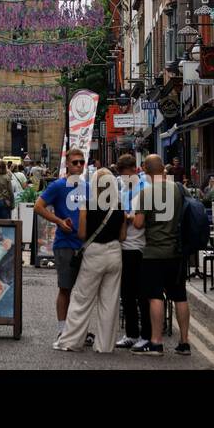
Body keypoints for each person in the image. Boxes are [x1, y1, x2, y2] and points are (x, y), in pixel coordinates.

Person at [54, 168, 126, 353]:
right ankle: (104, 346)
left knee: (81, 299)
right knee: (110, 302)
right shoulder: (119, 206)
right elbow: (123, 236)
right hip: (115, 254)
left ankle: (70, 341)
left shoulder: (88, 204)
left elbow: (82, 234)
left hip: (94, 254)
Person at [131, 154, 190, 356]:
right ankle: (184, 342)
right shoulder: (179, 189)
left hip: (154, 253)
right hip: (176, 251)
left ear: (146, 170)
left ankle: (156, 342)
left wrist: (132, 216)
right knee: (180, 296)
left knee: (155, 296)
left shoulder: (147, 193)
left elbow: (138, 223)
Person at [37, 148, 88, 340]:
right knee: (65, 288)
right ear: (67, 164)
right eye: (75, 162)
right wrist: (58, 221)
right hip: (65, 244)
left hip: (85, 245)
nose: (79, 166)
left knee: (84, 292)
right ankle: (63, 329)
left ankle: (80, 330)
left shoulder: (88, 187)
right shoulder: (58, 186)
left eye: (81, 162)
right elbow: (38, 207)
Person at [115, 154, 152, 351]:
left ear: (133, 170)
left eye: (125, 175)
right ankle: (131, 334)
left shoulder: (144, 190)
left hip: (139, 246)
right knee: (127, 294)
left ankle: (145, 336)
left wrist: (126, 216)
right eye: (121, 176)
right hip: (124, 245)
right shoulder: (122, 188)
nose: (123, 179)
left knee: (141, 294)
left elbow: (140, 221)